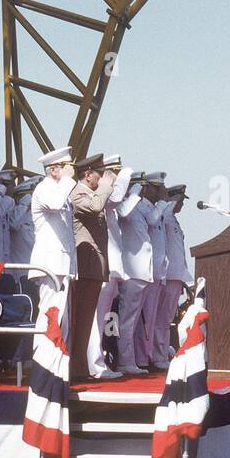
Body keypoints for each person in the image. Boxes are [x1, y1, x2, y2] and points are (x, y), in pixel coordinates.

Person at [69, 153, 119, 381]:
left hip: (93, 266)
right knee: (79, 320)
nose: (104, 178)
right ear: (87, 174)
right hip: (85, 264)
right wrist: (107, 186)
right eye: (100, 174)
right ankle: (75, 368)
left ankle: (79, 368)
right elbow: (96, 206)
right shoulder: (78, 192)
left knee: (85, 320)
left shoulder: (91, 192)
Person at [94, 155, 132, 376]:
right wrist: (124, 176)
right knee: (98, 319)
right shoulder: (105, 194)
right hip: (103, 266)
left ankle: (98, 362)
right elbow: (116, 199)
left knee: (102, 318)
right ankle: (96, 364)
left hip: (111, 267)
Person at [116, 173, 157, 373]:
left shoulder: (137, 206)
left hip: (141, 271)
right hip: (131, 270)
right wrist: (134, 193)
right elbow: (123, 214)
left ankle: (132, 359)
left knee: (133, 321)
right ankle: (125, 361)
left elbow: (152, 221)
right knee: (127, 319)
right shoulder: (126, 205)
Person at [28, 147, 77, 310]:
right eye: (66, 166)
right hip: (51, 262)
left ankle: (59, 338)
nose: (71, 170)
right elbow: (55, 204)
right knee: (50, 314)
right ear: (54, 169)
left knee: (62, 316)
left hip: (62, 262)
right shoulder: (44, 188)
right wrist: (67, 180)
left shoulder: (60, 190)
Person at [156, 185, 193, 364]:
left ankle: (161, 353)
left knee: (167, 318)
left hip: (176, 275)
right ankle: (158, 354)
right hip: (170, 274)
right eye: (181, 201)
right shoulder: (167, 218)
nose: (182, 205)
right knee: (163, 319)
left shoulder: (173, 220)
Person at [139, 172, 172, 369]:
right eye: (157, 188)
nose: (161, 192)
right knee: (143, 320)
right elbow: (151, 222)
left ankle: (148, 355)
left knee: (151, 319)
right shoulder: (143, 207)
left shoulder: (153, 208)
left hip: (157, 270)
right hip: (145, 270)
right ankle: (143, 357)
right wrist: (163, 203)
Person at [7, 177, 38, 265]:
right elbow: (13, 224)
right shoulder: (15, 214)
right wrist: (24, 205)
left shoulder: (36, 215)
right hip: (20, 267)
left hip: (37, 265)